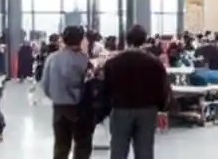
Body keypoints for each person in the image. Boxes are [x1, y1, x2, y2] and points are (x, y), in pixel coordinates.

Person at [103, 24, 170, 159]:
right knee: (145, 150)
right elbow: (162, 88)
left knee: (118, 149)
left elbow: (106, 88)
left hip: (120, 110)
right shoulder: (155, 63)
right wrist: (162, 108)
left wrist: (107, 107)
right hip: (147, 110)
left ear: (127, 40)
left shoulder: (112, 63)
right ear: (144, 40)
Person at [43, 26, 94, 159]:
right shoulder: (83, 60)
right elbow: (88, 85)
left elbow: (45, 85)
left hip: (59, 107)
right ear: (81, 40)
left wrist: (56, 96)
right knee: (82, 144)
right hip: (79, 108)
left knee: (61, 145)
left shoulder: (52, 58)